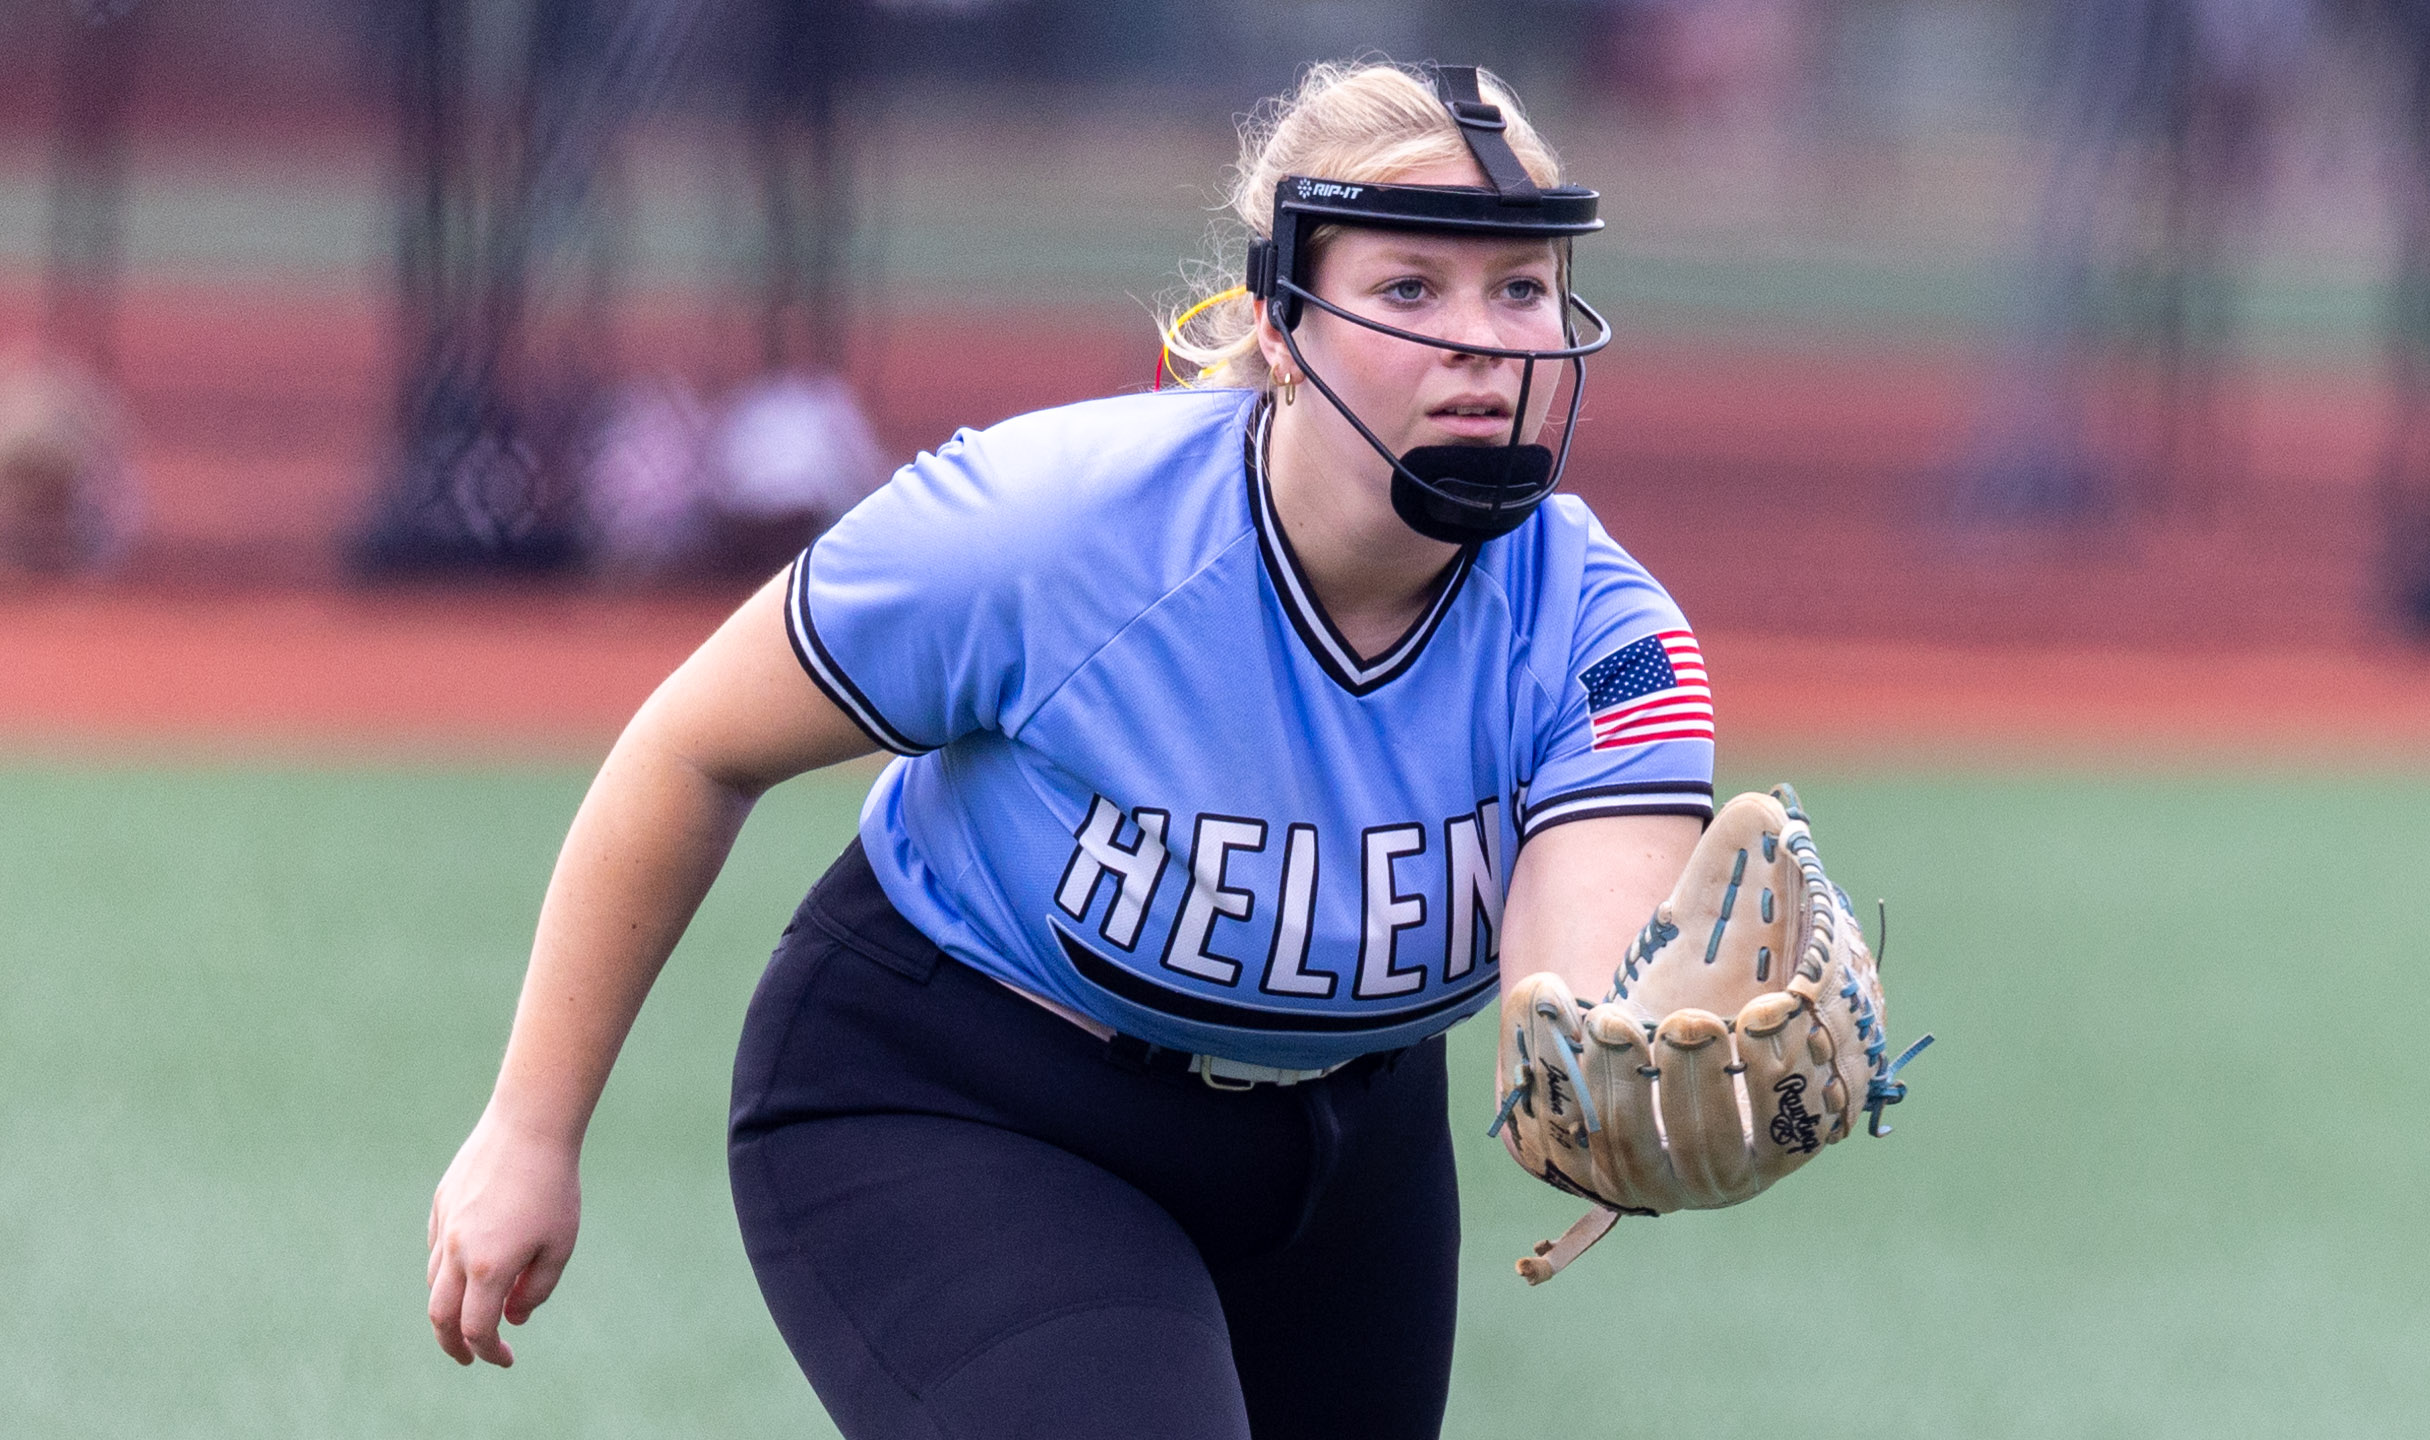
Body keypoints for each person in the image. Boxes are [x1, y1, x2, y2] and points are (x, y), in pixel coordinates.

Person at [426, 60, 1717, 1439]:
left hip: (1350, 1158)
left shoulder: (1603, 631)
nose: (1483, 339)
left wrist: (1636, 1077)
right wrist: (528, 1133)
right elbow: (692, 747)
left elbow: (1581, 998)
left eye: (1517, 286)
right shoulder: (1050, 531)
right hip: (957, 1097)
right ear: (1279, 325)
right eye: (1409, 289)